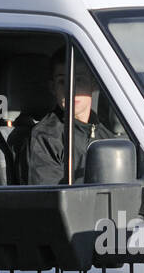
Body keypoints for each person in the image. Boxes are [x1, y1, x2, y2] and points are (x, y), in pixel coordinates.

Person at [25, 48, 115, 184]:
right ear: (52, 87)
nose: (71, 89)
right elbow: (49, 200)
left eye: (79, 80)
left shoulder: (106, 135)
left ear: (94, 84)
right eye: (63, 81)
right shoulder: (45, 138)